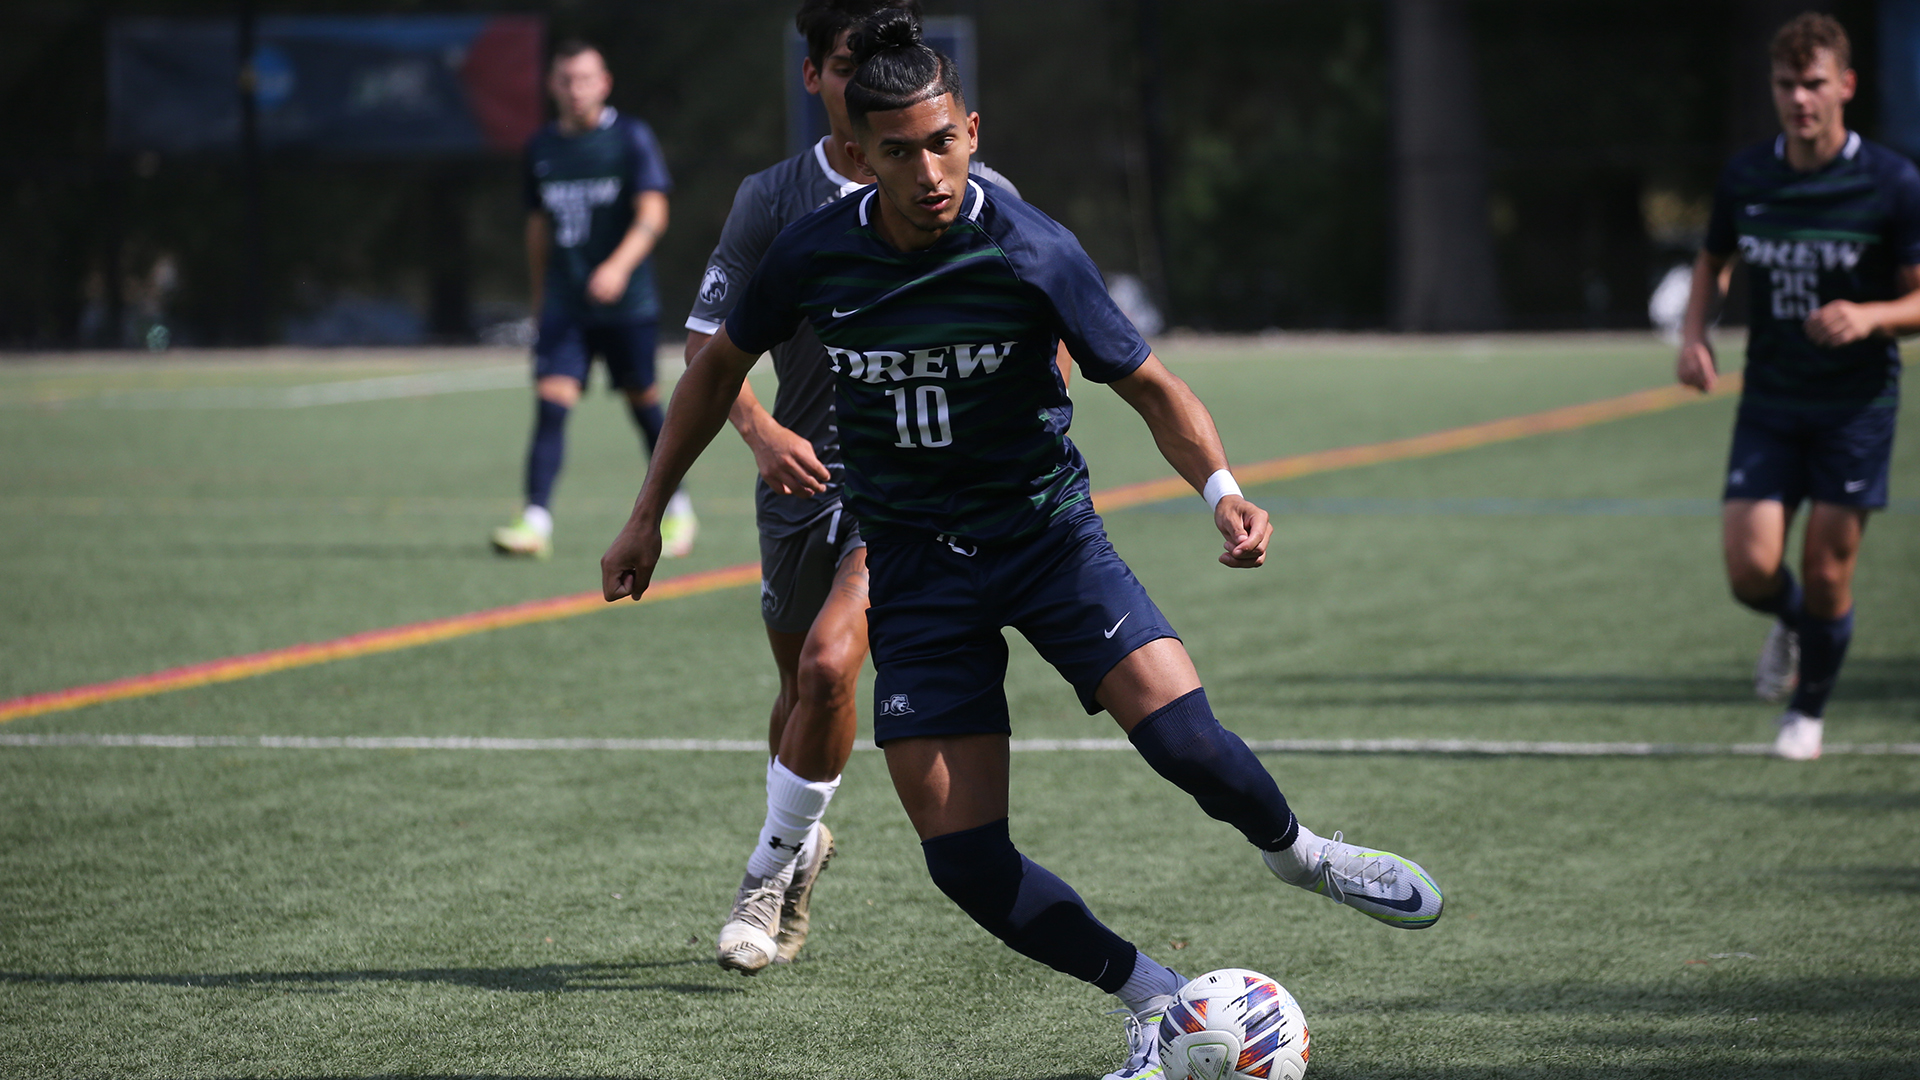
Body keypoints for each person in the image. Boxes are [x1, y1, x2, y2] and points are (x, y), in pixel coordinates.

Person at [601, 13, 1444, 1079]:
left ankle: (1304, 856)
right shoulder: (810, 251)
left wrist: (1222, 490)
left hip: (1048, 539)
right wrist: (645, 512)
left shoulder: (1029, 244)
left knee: (1184, 742)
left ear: (972, 130)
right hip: (912, 567)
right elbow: (714, 371)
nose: (929, 171)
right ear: (857, 157)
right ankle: (1155, 1003)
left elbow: (1147, 384)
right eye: (899, 151)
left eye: (944, 141)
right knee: (963, 860)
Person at [682, 0, 1026, 976]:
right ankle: (801, 839)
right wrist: (760, 429)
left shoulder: (963, 186)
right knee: (800, 686)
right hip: (797, 481)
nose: (860, 83)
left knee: (834, 665)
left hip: (911, 488)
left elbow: (1042, 321)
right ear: (814, 77)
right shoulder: (775, 197)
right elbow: (709, 341)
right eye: (843, 64)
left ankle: (768, 867)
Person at [1677, 12, 1919, 761]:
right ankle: (1791, 623)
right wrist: (1693, 335)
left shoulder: (1891, 182)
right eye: (1786, 84)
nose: (1799, 99)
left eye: (1814, 83)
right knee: (1751, 571)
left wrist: (1871, 314)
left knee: (1825, 568)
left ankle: (1807, 710)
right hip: (1772, 402)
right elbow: (1714, 262)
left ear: (1844, 84)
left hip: (1856, 408)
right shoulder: (1748, 176)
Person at [492, 39, 696, 560]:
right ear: (551, 85)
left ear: (604, 83)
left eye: (585, 79)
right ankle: (534, 521)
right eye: (565, 79)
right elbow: (537, 229)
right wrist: (541, 299)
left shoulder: (630, 138)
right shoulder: (541, 147)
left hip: (628, 305)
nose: (575, 89)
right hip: (566, 305)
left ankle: (678, 509)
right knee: (551, 404)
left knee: (643, 403)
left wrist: (617, 266)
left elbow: (654, 213)